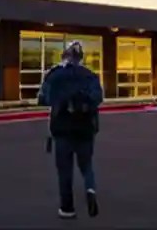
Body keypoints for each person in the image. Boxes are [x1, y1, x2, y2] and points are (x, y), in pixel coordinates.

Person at [38, 40, 104, 219]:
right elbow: (98, 98)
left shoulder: (54, 75)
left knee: (64, 170)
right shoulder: (90, 75)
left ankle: (67, 208)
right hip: (85, 128)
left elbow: (44, 98)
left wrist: (61, 100)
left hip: (62, 129)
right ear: (81, 58)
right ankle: (90, 189)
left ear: (64, 56)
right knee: (86, 164)